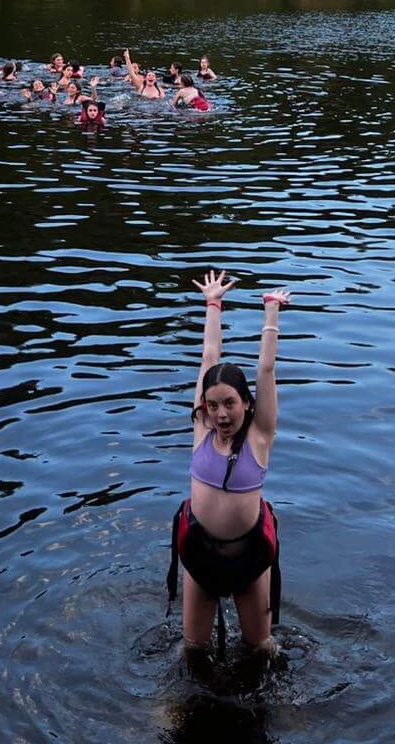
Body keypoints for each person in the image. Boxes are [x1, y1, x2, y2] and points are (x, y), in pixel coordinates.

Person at [168, 270, 289, 662]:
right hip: (201, 554)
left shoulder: (260, 436)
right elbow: (209, 354)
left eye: (230, 404)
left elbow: (265, 371)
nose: (221, 414)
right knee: (193, 650)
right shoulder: (200, 428)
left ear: (247, 404)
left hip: (249, 557)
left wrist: (270, 312)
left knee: (260, 648)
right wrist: (213, 304)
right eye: (213, 405)